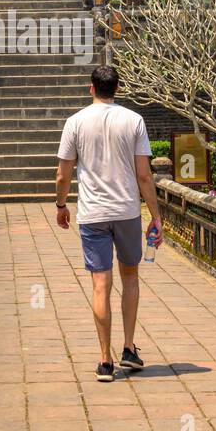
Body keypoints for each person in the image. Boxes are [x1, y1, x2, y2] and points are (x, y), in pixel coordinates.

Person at [55, 65, 162, 382]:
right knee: (130, 279)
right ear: (118, 88)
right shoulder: (134, 120)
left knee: (101, 285)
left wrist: (61, 205)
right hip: (127, 211)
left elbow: (63, 174)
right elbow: (144, 174)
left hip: (93, 215)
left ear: (91, 88)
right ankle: (128, 348)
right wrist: (155, 215)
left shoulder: (75, 122)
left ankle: (105, 360)